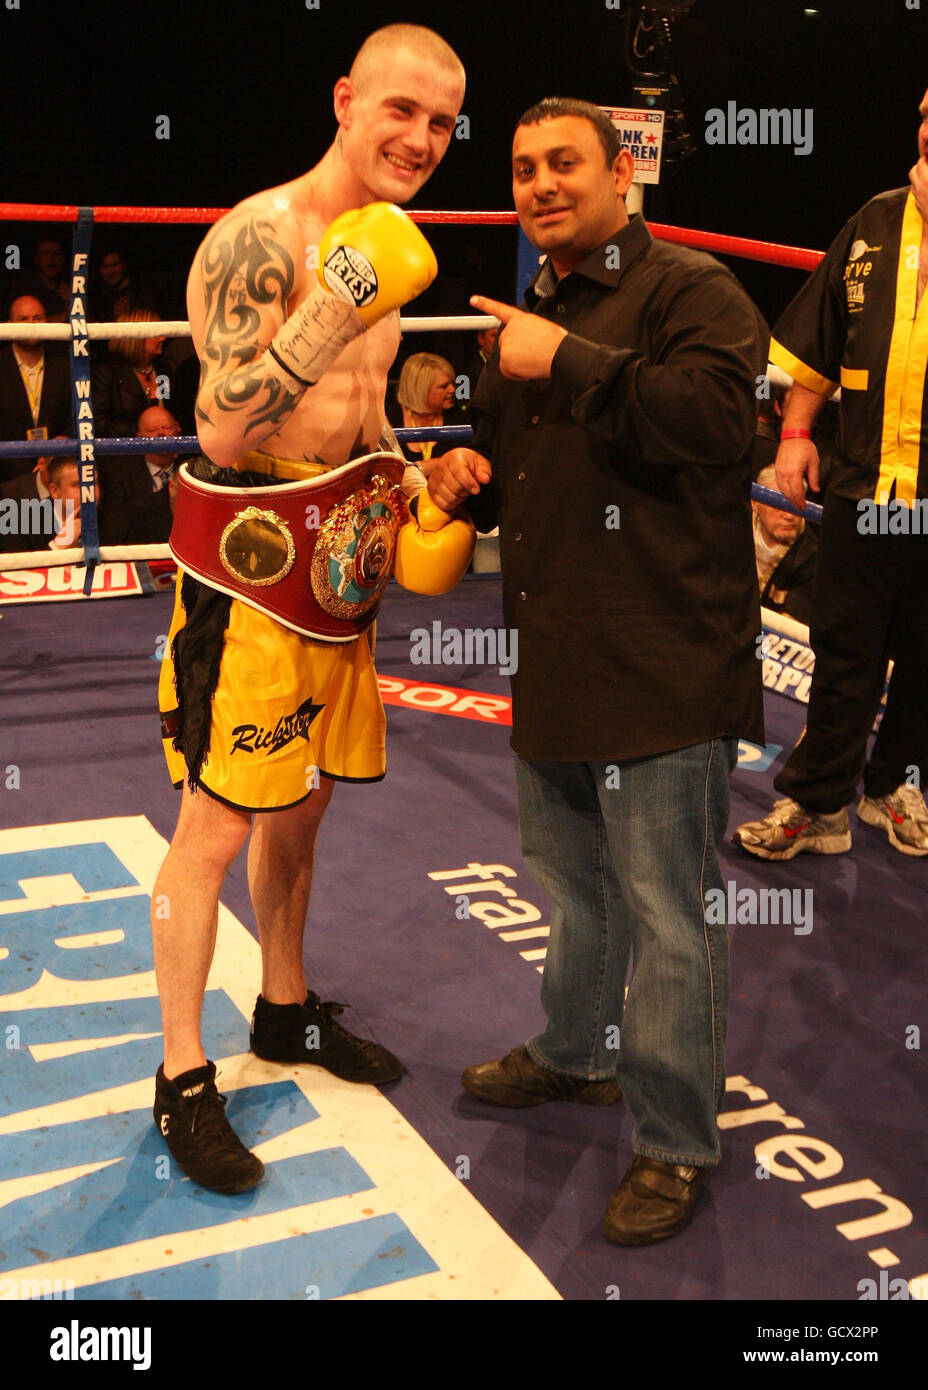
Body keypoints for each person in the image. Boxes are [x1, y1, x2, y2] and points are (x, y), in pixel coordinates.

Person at [427, 97, 765, 1246]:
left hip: (665, 659)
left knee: (669, 915)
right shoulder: (529, 311)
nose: (539, 184)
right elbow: (514, 459)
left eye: (563, 163)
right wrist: (462, 463)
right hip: (559, 653)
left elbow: (725, 424)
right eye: (522, 169)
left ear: (622, 173)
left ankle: (673, 1141)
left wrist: (568, 358)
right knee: (572, 887)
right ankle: (577, 1053)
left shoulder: (690, 288)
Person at [152, 24, 467, 1195]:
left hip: (336, 569)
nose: (421, 140)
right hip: (243, 574)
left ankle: (282, 1007)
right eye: (400, 111)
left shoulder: (391, 250)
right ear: (345, 100)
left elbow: (359, 414)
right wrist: (333, 301)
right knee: (216, 824)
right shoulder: (263, 236)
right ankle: (182, 1073)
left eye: (441, 124)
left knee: (306, 804)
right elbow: (224, 429)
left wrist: (415, 475)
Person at [733, 88, 928, 862]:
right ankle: (818, 806)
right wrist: (794, 434)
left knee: (925, 656)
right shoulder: (876, 220)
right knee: (845, 648)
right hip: (863, 477)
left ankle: (892, 789)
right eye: (922, 116)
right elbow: (821, 337)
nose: (926, 133)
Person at [0, 296, 71, 483]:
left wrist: (58, 448)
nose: (31, 324)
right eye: (23, 319)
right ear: (9, 324)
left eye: (37, 318)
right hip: (6, 475)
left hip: (57, 470)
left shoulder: (64, 366)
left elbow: (75, 415)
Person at [99, 404, 187, 544]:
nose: (161, 433)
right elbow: (115, 533)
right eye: (152, 430)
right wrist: (166, 498)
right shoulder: (120, 477)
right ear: (139, 438)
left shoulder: (190, 469)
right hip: (143, 555)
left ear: (177, 429)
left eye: (167, 428)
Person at [752, 462, 818, 624]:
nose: (789, 515)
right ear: (755, 504)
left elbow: (792, 623)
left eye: (796, 505)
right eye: (779, 505)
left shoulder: (814, 556)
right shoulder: (735, 528)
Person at [91, 312, 171, 439]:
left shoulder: (162, 372)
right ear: (137, 337)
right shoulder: (108, 372)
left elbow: (169, 410)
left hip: (163, 451)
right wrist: (141, 432)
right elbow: (98, 422)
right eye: (157, 333)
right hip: (125, 452)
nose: (163, 338)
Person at [393, 351, 465, 475]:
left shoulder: (458, 417)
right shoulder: (391, 420)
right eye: (444, 386)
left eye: (452, 383)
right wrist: (439, 463)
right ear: (421, 389)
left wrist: (422, 467)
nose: (453, 390)